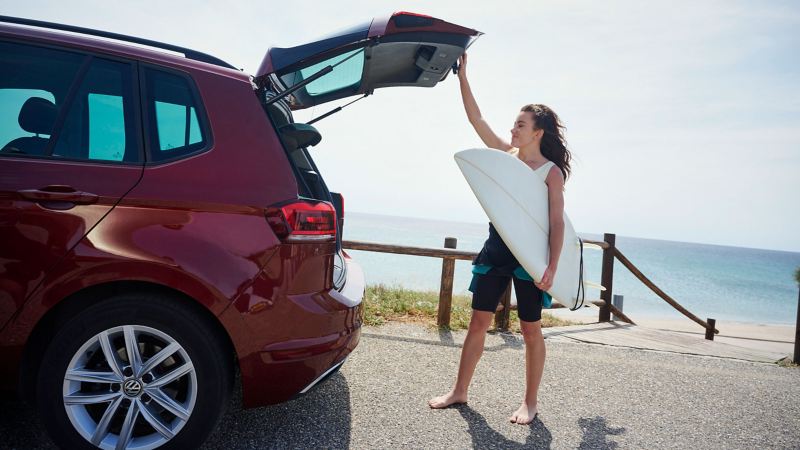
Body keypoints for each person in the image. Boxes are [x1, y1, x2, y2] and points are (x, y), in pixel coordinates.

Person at [428, 53, 572, 425]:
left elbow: (556, 224)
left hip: (529, 257)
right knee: (478, 322)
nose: (513, 130)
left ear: (537, 132)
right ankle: (459, 391)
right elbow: (477, 119)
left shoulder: (550, 173)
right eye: (514, 124)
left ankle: (530, 401)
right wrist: (463, 77)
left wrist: (553, 266)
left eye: (520, 125)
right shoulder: (505, 156)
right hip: (496, 249)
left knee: (529, 328)